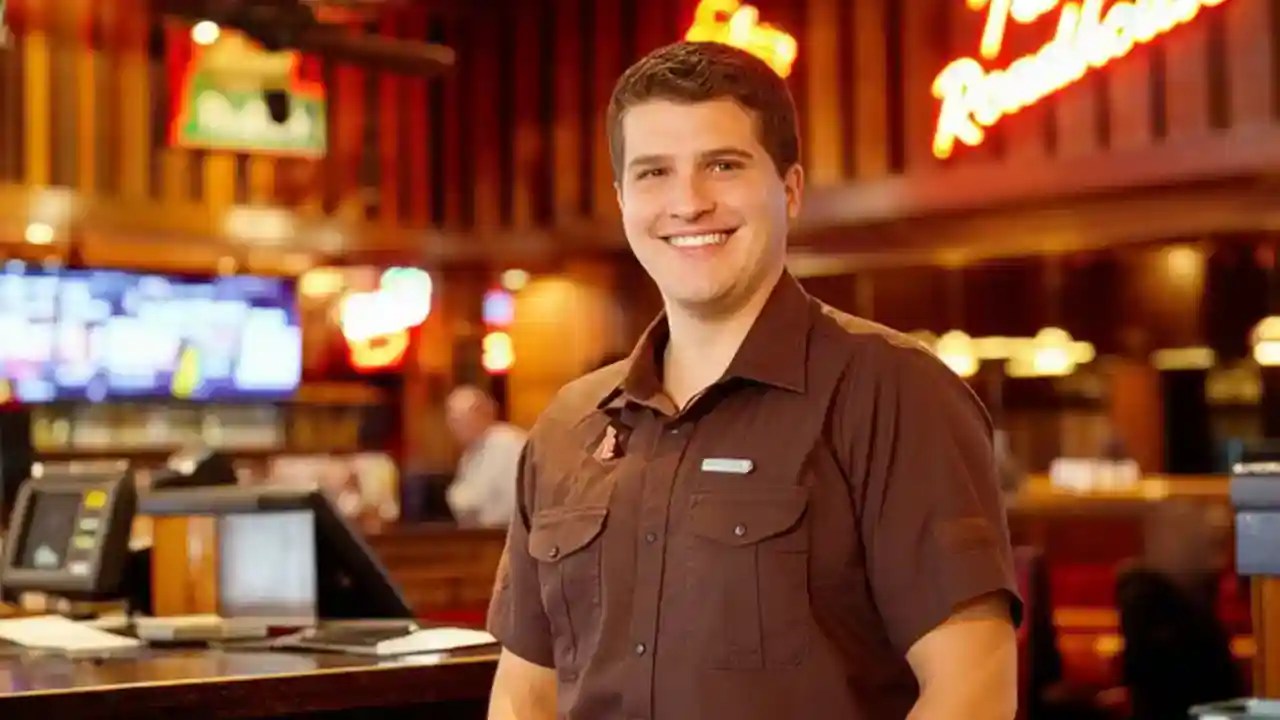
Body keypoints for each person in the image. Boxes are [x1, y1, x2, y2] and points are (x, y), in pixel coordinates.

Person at [485, 41, 1021, 720]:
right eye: (654, 173)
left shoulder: (895, 394)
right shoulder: (568, 425)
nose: (688, 203)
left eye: (723, 165)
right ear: (622, 200)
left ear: (789, 189)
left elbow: (973, 688)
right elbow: (524, 695)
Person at [444, 385, 527, 528]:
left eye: (460, 419)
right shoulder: (471, 451)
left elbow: (506, 506)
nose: (454, 427)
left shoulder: (506, 443)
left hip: (504, 533)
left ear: (483, 414)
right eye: (452, 419)